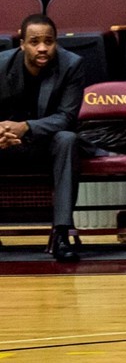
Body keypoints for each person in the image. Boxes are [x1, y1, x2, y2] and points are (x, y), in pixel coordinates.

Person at [0, 14, 85, 263]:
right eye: (34, 41)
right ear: (22, 43)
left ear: (56, 42)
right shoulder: (1, 66)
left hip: (46, 144)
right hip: (5, 143)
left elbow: (67, 117)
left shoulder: (71, 65)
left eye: (48, 41)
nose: (42, 48)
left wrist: (26, 127)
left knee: (68, 139)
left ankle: (61, 235)